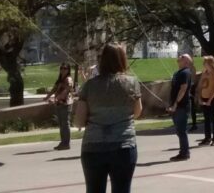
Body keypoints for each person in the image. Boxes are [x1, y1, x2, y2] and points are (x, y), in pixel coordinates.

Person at [74, 43, 143, 193]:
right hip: (123, 144)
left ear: (102, 60)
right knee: (122, 189)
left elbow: (78, 120)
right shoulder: (131, 83)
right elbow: (137, 112)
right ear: (122, 60)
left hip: (93, 145)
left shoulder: (89, 86)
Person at [166, 54, 193, 161]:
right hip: (176, 106)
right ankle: (184, 151)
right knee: (179, 130)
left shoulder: (185, 72)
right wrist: (171, 104)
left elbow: (183, 89)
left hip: (181, 106)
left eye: (182, 57)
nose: (179, 57)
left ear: (186, 61)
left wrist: (175, 104)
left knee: (181, 131)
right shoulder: (178, 73)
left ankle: (184, 153)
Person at [44, 62, 73, 150]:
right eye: (61, 68)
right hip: (59, 104)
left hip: (65, 103)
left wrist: (56, 99)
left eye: (65, 68)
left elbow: (66, 91)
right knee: (61, 124)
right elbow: (54, 89)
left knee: (65, 123)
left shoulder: (68, 79)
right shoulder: (60, 79)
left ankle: (66, 143)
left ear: (68, 70)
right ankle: (63, 142)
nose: (63, 70)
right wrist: (47, 97)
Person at [197, 55, 214, 146]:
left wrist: (210, 100)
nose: (203, 64)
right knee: (206, 119)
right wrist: (199, 97)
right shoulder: (205, 72)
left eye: (205, 62)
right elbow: (200, 85)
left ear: (210, 63)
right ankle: (207, 137)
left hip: (212, 98)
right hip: (204, 96)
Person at [189, 60, 200, 131]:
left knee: (193, 108)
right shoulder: (189, 69)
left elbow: (193, 79)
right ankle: (194, 124)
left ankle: (194, 124)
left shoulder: (192, 68)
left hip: (191, 88)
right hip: (190, 87)